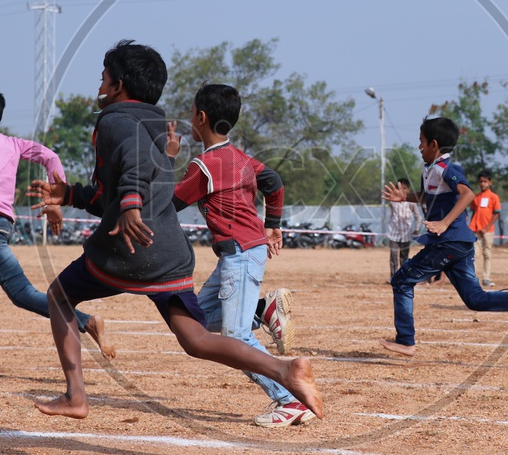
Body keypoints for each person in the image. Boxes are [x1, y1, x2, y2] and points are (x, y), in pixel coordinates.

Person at [26, 40, 322, 422]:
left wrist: (131, 204)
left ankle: (76, 397)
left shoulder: (116, 121)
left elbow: (132, 168)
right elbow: (114, 194)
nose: (98, 82)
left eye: (103, 75)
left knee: (60, 295)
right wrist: (70, 195)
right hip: (172, 252)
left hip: (133, 245)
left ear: (118, 85)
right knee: (197, 339)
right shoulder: (156, 126)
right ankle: (285, 369)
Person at [166, 83, 311, 428]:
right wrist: (273, 224)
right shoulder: (241, 158)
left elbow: (166, 204)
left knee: (233, 338)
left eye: (191, 112)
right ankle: (263, 310)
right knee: (198, 321)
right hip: (243, 252)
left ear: (201, 118)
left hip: (241, 254)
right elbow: (273, 181)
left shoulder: (205, 166)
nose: (189, 118)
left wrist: (168, 157)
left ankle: (289, 400)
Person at [0, 86, 113, 360]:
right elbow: (51, 157)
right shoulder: (12, 143)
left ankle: (85, 320)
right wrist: (54, 202)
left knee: (22, 293)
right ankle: (84, 320)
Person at [379, 117, 508, 357]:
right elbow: (428, 197)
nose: (419, 147)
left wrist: (443, 223)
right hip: (457, 243)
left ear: (434, 144)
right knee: (476, 300)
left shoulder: (447, 168)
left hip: (449, 241)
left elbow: (467, 194)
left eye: (421, 142)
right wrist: (405, 197)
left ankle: (406, 340)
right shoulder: (431, 169)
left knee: (401, 280)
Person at [468, 169, 501, 288]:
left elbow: (496, 214)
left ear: (490, 182)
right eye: (481, 181)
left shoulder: (494, 197)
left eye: (485, 181)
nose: (482, 184)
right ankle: (473, 277)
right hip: (475, 229)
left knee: (487, 253)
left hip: (488, 230)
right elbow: (473, 212)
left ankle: (486, 278)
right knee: (474, 254)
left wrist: (486, 228)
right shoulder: (475, 197)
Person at [386, 178, 422, 283]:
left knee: (404, 257)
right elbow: (392, 214)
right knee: (393, 257)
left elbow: (417, 216)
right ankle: (393, 277)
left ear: (408, 189)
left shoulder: (411, 202)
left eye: (404, 188)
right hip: (394, 233)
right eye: (399, 188)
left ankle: (403, 277)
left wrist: (416, 228)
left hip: (406, 233)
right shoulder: (393, 201)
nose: (401, 190)